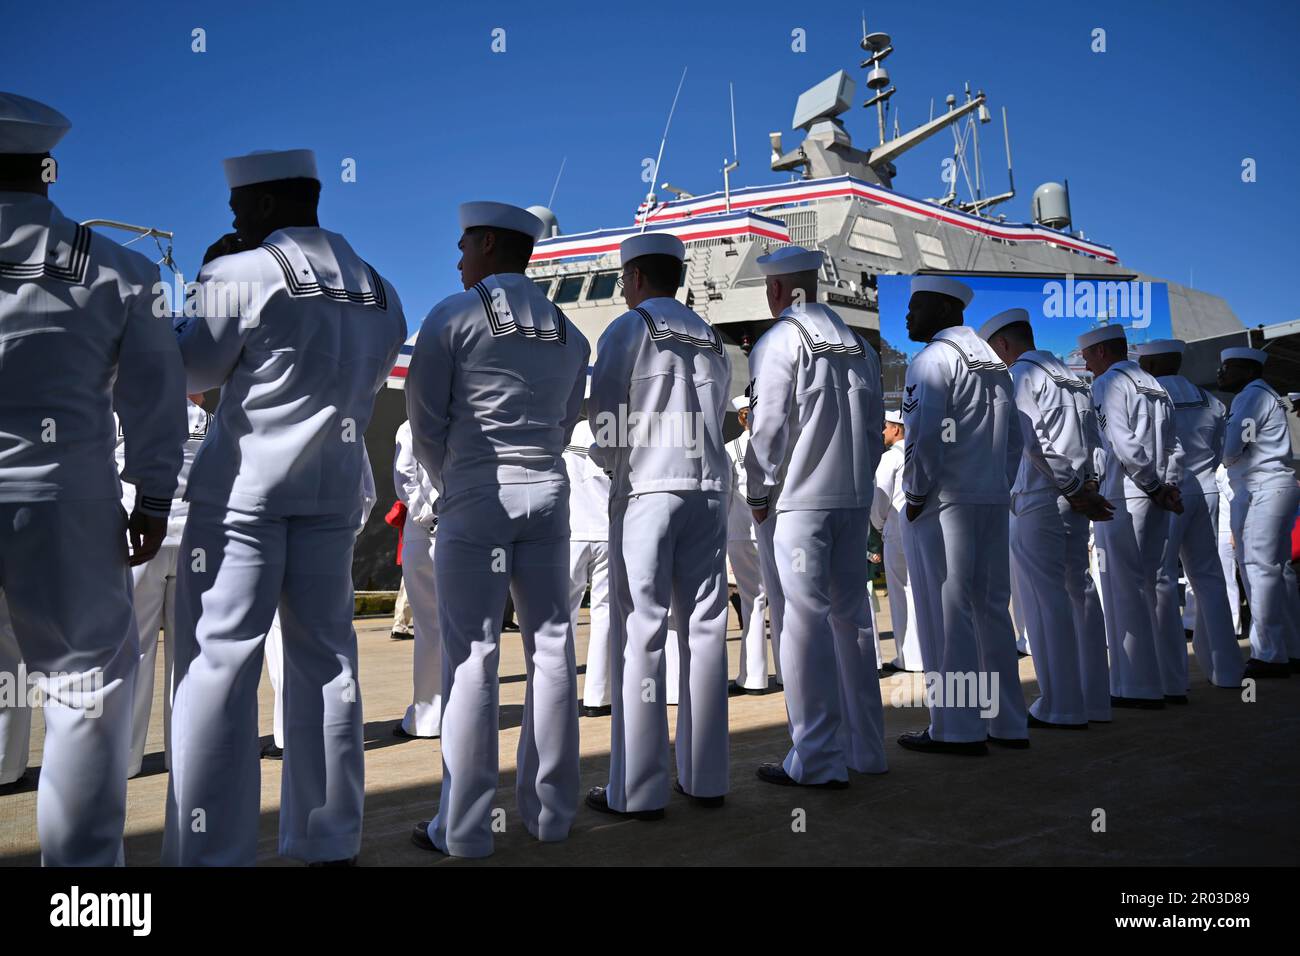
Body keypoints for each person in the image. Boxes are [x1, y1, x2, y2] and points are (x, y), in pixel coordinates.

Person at [163, 148, 406, 866]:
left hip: (243, 497)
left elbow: (192, 368)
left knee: (218, 668)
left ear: (264, 206)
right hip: (330, 496)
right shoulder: (382, 290)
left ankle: (211, 853)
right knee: (328, 665)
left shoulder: (237, 271)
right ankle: (328, 839)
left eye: (240, 207)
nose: (234, 220)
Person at [0, 92, 187, 864]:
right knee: (83, 691)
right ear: (49, 170)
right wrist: (151, 495)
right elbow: (156, 394)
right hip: (67, 502)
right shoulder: (120, 268)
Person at [407, 201, 588, 857]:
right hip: (549, 491)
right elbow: (568, 420)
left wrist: (454, 479)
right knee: (551, 650)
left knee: (473, 655)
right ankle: (552, 814)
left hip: (478, 493)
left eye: (462, 246)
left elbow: (424, 419)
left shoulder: (452, 317)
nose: (457, 259)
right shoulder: (570, 331)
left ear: (486, 243)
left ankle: (464, 828)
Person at [584, 231, 731, 819]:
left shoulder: (628, 328)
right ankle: (706, 777)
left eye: (623, 279)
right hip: (709, 490)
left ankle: (637, 789)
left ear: (637, 278)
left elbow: (603, 417)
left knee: (640, 631)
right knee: (705, 630)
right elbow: (720, 415)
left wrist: (612, 463)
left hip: (648, 488)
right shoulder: (712, 337)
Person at [745, 245, 887, 786]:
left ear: (777, 290)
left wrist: (758, 490)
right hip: (851, 499)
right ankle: (866, 750)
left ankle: (817, 759)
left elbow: (768, 429)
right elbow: (876, 429)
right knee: (853, 623)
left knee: (802, 627)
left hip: (799, 504)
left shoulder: (780, 339)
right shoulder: (861, 346)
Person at [896, 276, 1027, 756]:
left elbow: (923, 438)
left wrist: (913, 493)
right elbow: (1016, 439)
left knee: (946, 618)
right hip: (990, 499)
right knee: (992, 613)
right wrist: (997, 482)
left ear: (943, 307)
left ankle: (957, 729)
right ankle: (1007, 723)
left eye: (916, 306)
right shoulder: (995, 364)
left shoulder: (932, 360)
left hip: (945, 504)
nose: (908, 316)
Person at [980, 309, 1114, 728]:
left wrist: (1073, 487)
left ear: (1002, 345)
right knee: (1081, 594)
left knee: (1046, 600)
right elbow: (1096, 441)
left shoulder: (1020, 374)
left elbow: (1031, 441)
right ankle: (1093, 699)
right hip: (1076, 499)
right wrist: (1089, 486)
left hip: (1042, 496)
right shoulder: (1073, 376)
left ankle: (1061, 705)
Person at [1080, 324, 1184, 708]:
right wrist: (1167, 485)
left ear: (1104, 352)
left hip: (1126, 493)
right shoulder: (1158, 387)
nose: (1087, 365)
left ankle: (1137, 685)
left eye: (1089, 356)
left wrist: (1152, 484)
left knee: (1124, 589)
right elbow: (1174, 446)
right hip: (1154, 493)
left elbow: (1121, 442)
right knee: (1158, 587)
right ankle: (1172, 681)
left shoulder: (1108, 384)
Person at [1137, 339, 1244, 692]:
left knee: (1162, 578)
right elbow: (1221, 451)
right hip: (1205, 490)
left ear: (1150, 364)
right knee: (1208, 577)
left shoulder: (1146, 395)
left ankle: (1172, 678)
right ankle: (1227, 670)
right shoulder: (1210, 400)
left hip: (1166, 490)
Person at [122, 395, 213, 777]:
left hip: (137, 538)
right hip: (193, 541)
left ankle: (123, 758)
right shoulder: (212, 421)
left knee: (132, 653)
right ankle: (186, 754)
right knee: (189, 655)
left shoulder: (128, 411)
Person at [1219, 347, 1300, 677]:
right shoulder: (1260, 394)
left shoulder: (1251, 396)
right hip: (1269, 487)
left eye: (1228, 368)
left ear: (1247, 370)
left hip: (1262, 488)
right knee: (1279, 572)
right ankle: (1290, 650)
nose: (1221, 374)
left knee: (1259, 568)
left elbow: (1230, 447)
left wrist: (1228, 459)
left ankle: (1268, 655)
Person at [392, 419, 442, 738]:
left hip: (426, 532)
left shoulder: (412, 425)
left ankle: (427, 717)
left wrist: (427, 516)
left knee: (428, 628)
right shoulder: (474, 416)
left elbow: (406, 474)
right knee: (468, 629)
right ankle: (466, 709)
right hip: (466, 527)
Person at [564, 417, 614, 717]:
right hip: (606, 530)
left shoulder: (569, 430)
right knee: (605, 612)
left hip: (571, 531)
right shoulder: (617, 429)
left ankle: (558, 689)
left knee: (561, 614)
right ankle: (598, 695)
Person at [727, 396, 773, 693]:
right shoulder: (777, 446)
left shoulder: (729, 449)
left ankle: (753, 676)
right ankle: (786, 674)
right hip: (772, 531)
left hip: (741, 532)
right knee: (779, 603)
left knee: (751, 601)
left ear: (741, 418)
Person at [871, 410, 923, 672]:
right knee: (922, 592)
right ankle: (926, 654)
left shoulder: (890, 458)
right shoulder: (921, 452)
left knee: (901, 593)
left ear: (897, 430)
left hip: (896, 530)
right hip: (922, 531)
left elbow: (880, 498)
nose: (883, 432)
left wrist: (878, 526)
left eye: (886, 427)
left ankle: (909, 656)